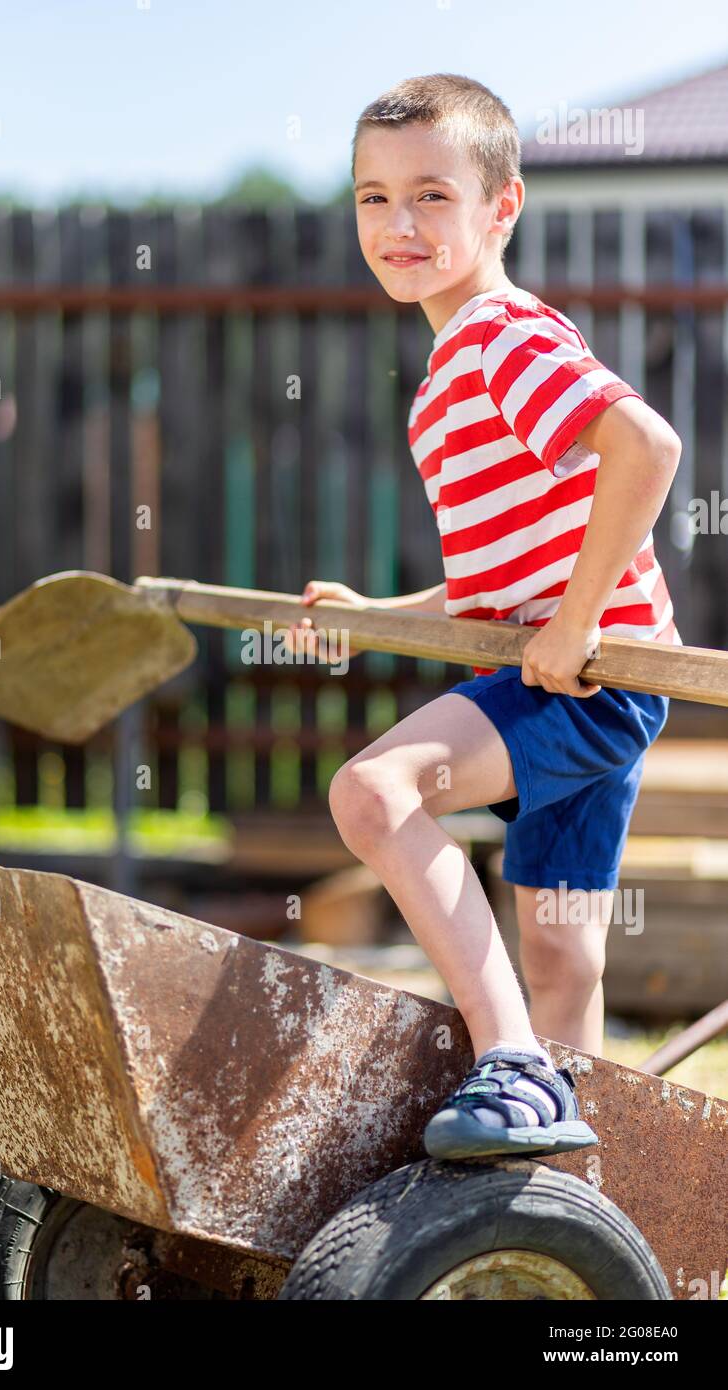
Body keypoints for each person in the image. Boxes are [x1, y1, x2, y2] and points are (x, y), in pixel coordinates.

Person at [282, 73, 682, 1160]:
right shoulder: (442, 380)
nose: (397, 225)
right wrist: (381, 615)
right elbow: (495, 585)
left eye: (429, 196)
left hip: (594, 672)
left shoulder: (497, 336)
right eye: (371, 198)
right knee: (561, 954)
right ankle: (563, 1187)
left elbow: (645, 451)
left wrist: (575, 620)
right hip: (580, 671)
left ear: (499, 207)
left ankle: (503, 1062)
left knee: (373, 791)